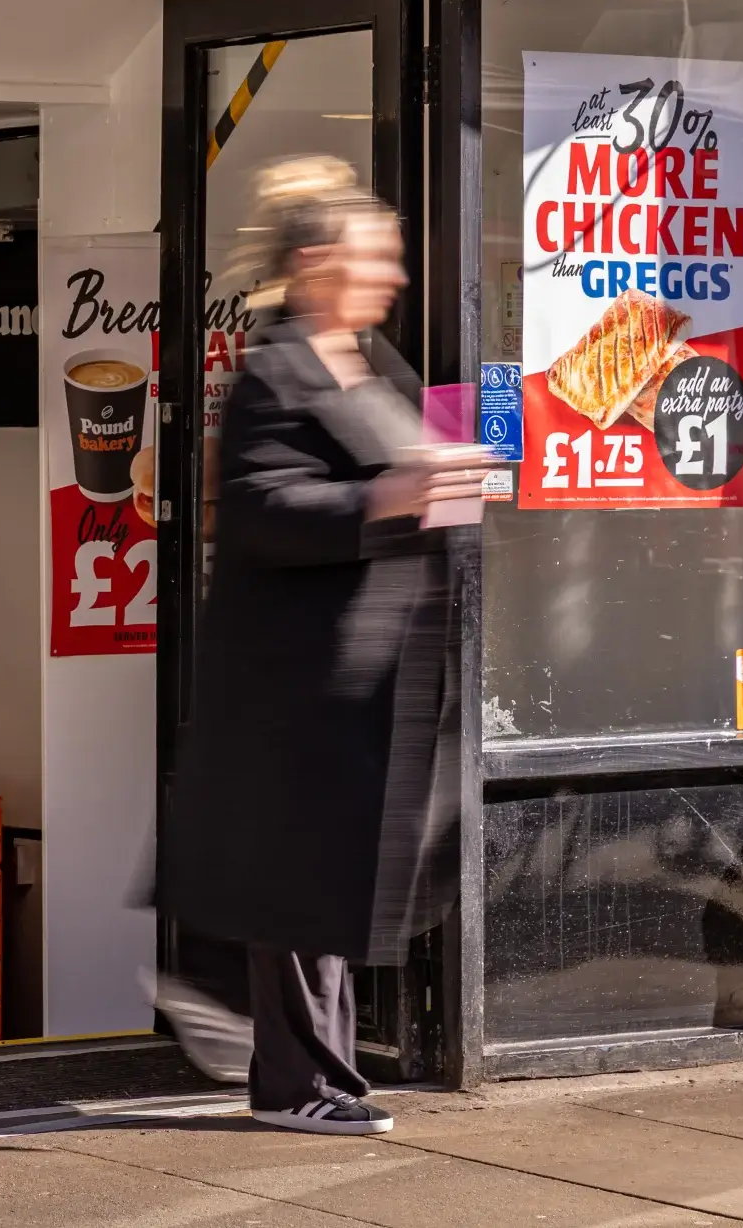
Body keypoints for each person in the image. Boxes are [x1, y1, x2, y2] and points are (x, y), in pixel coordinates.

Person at [156, 156, 478, 1136]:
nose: (393, 275)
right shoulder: (275, 372)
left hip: (365, 675)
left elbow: (409, 482)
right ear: (312, 264)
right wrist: (385, 496)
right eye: (371, 257)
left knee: (327, 885)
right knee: (300, 891)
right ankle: (295, 1082)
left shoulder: (373, 363)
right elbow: (256, 512)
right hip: (293, 678)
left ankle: (308, 1069)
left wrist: (455, 482)